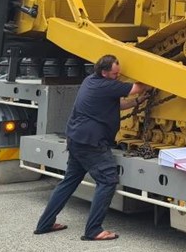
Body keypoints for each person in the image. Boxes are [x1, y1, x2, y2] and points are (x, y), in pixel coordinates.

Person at [34, 54, 149, 241]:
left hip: (76, 139)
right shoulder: (107, 85)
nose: (117, 76)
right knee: (107, 179)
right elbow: (138, 87)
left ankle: (45, 223)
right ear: (104, 72)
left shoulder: (91, 81)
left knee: (69, 181)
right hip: (91, 143)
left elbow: (117, 104)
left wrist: (138, 102)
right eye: (114, 74)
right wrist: (154, 76)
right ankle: (94, 230)